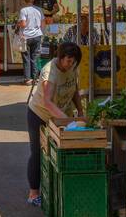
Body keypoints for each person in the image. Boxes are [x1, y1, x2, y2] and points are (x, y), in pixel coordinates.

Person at [25, 42, 84, 207]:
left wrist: (80, 111)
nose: (70, 65)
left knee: (60, 151)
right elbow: (48, 102)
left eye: (73, 62)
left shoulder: (72, 68)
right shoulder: (50, 72)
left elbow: (74, 89)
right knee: (37, 152)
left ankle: (55, 189)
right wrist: (68, 120)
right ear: (60, 57)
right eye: (68, 61)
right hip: (39, 114)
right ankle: (33, 193)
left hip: (60, 116)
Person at [17, 0, 46, 85]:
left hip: (26, 36)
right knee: (35, 57)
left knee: (26, 58)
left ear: (23, 0)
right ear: (32, 0)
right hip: (37, 35)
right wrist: (41, 32)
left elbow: (23, 24)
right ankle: (36, 78)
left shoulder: (23, 10)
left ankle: (27, 79)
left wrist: (18, 24)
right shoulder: (39, 10)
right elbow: (43, 23)